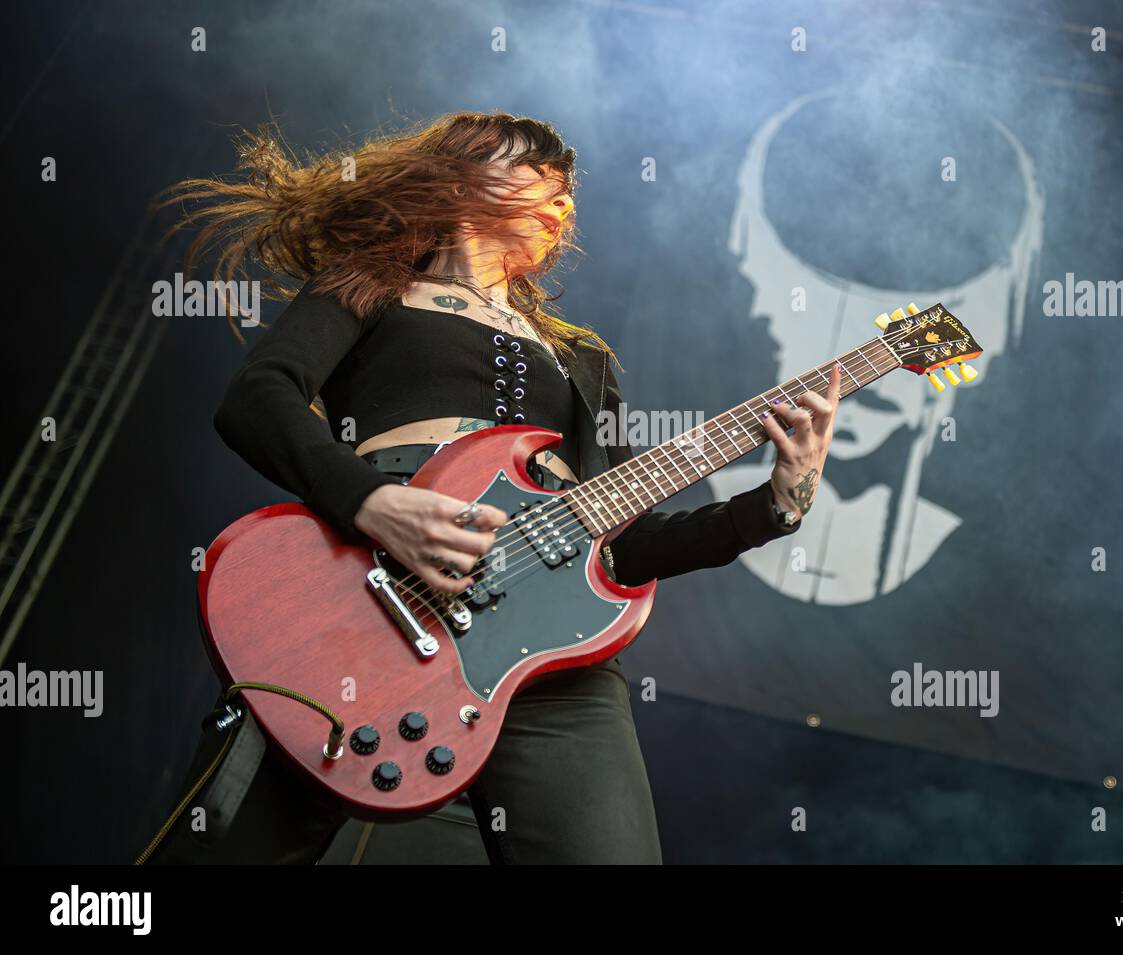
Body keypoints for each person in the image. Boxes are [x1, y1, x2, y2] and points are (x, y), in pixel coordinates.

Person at [141, 110, 838, 864]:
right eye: (542, 174)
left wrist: (775, 504)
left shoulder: (584, 360)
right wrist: (371, 502)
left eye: (571, 192)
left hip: (550, 645)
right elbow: (258, 397)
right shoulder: (375, 283)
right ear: (462, 173)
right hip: (366, 596)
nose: (565, 200)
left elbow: (624, 544)